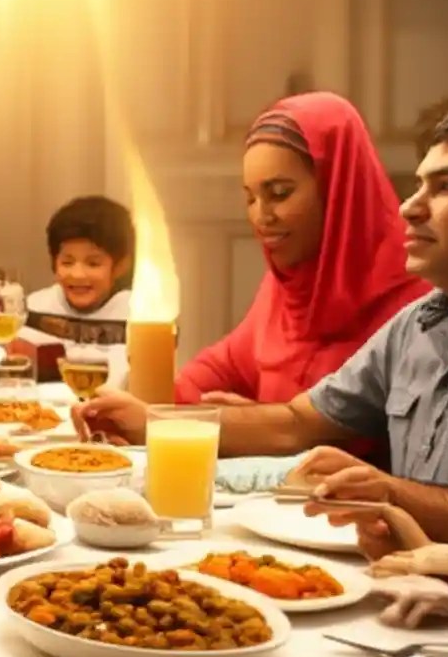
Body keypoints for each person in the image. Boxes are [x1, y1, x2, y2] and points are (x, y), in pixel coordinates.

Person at [75, 94, 448, 490]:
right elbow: (293, 421)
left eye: (447, 186)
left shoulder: (413, 293)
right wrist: (151, 418)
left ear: (338, 190)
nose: (408, 207)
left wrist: (395, 497)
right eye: (250, 197)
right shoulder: (417, 325)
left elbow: (340, 452)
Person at [176, 94, 429, 447]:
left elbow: (376, 444)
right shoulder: (288, 284)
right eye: (250, 198)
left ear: (337, 188)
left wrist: (251, 424)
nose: (261, 217)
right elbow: (219, 367)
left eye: (279, 193)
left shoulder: (420, 298)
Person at [27, 195, 133, 320]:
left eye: (93, 264)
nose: (78, 275)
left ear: (121, 266)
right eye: (67, 263)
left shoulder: (140, 314)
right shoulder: (33, 309)